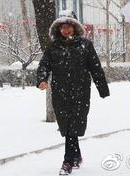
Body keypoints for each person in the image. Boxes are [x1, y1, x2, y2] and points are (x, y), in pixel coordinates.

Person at [37, 14, 110, 175]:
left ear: (75, 28)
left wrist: (102, 89)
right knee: (66, 126)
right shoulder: (53, 47)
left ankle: (67, 161)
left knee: (74, 125)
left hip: (80, 92)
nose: (66, 29)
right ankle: (75, 155)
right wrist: (41, 79)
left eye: (69, 26)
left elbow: (95, 67)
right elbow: (44, 65)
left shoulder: (85, 45)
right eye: (63, 27)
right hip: (60, 93)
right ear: (58, 30)